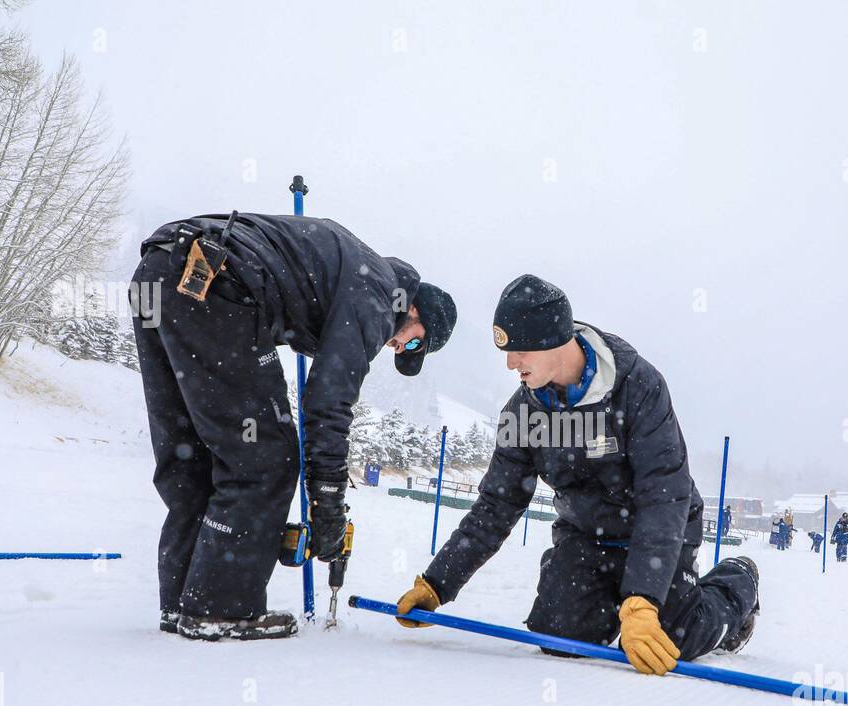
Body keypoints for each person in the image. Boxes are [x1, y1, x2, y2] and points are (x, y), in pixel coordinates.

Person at [395, 275, 759, 675]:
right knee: (560, 637)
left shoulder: (638, 387)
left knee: (669, 639)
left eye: (519, 351)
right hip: (586, 533)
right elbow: (497, 505)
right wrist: (437, 584)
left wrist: (642, 599)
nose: (510, 363)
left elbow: (664, 494)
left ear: (553, 340)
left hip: (657, 528)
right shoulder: (523, 414)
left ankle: (736, 583)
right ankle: (613, 600)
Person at [130, 211, 456, 640]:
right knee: (266, 456)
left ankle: (184, 602)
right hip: (219, 281)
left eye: (409, 350)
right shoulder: (380, 292)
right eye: (413, 340)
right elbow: (327, 404)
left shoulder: (353, 271)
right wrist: (328, 505)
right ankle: (220, 609)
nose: (398, 345)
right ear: (414, 307)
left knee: (192, 453)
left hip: (159, 273)